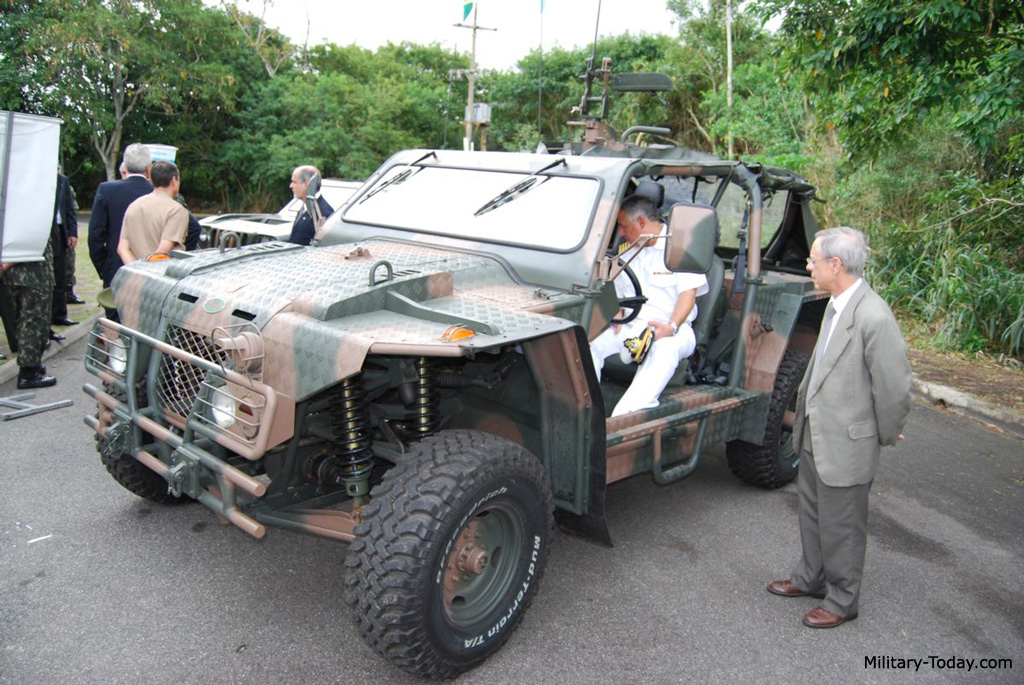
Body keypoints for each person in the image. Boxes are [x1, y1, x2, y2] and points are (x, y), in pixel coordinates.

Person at [767, 226, 911, 629]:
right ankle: (809, 578)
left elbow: (894, 386)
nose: (808, 265)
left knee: (843, 525)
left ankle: (843, 600)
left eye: (814, 260)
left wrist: (887, 430)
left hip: (848, 441)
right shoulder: (836, 303)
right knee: (812, 513)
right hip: (817, 433)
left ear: (837, 264)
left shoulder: (873, 315)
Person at [589, 195, 708, 417]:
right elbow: (617, 288)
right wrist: (616, 308)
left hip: (672, 329)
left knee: (664, 349)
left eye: (624, 226)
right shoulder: (628, 251)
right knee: (587, 344)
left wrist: (670, 327)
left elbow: (688, 296)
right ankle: (588, 411)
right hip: (631, 325)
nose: (621, 233)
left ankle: (626, 417)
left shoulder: (680, 247)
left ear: (642, 222)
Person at [88, 144, 153, 320]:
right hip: (153, 270)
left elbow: (95, 236)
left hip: (115, 268)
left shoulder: (107, 190)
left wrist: (104, 267)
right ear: (148, 168)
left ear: (125, 165)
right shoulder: (157, 193)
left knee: (116, 323)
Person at [0, 239, 57, 389]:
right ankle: (28, 373)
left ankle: (33, 364)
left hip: (17, 274)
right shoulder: (31, 215)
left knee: (24, 321)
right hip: (32, 274)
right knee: (34, 323)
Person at [117, 161, 188, 264]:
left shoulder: (134, 205)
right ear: (174, 180)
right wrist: (148, 273)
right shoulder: (176, 211)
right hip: (160, 275)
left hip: (134, 274)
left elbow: (122, 248)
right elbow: (162, 252)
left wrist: (135, 271)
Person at [50, 169, 79, 326]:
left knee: (61, 275)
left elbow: (69, 208)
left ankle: (60, 315)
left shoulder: (62, 180)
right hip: (46, 230)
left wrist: (72, 232)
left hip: (61, 231)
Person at [287, 165, 333, 246]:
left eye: (294, 182)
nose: (291, 186)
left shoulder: (323, 213)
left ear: (306, 184)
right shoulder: (306, 208)